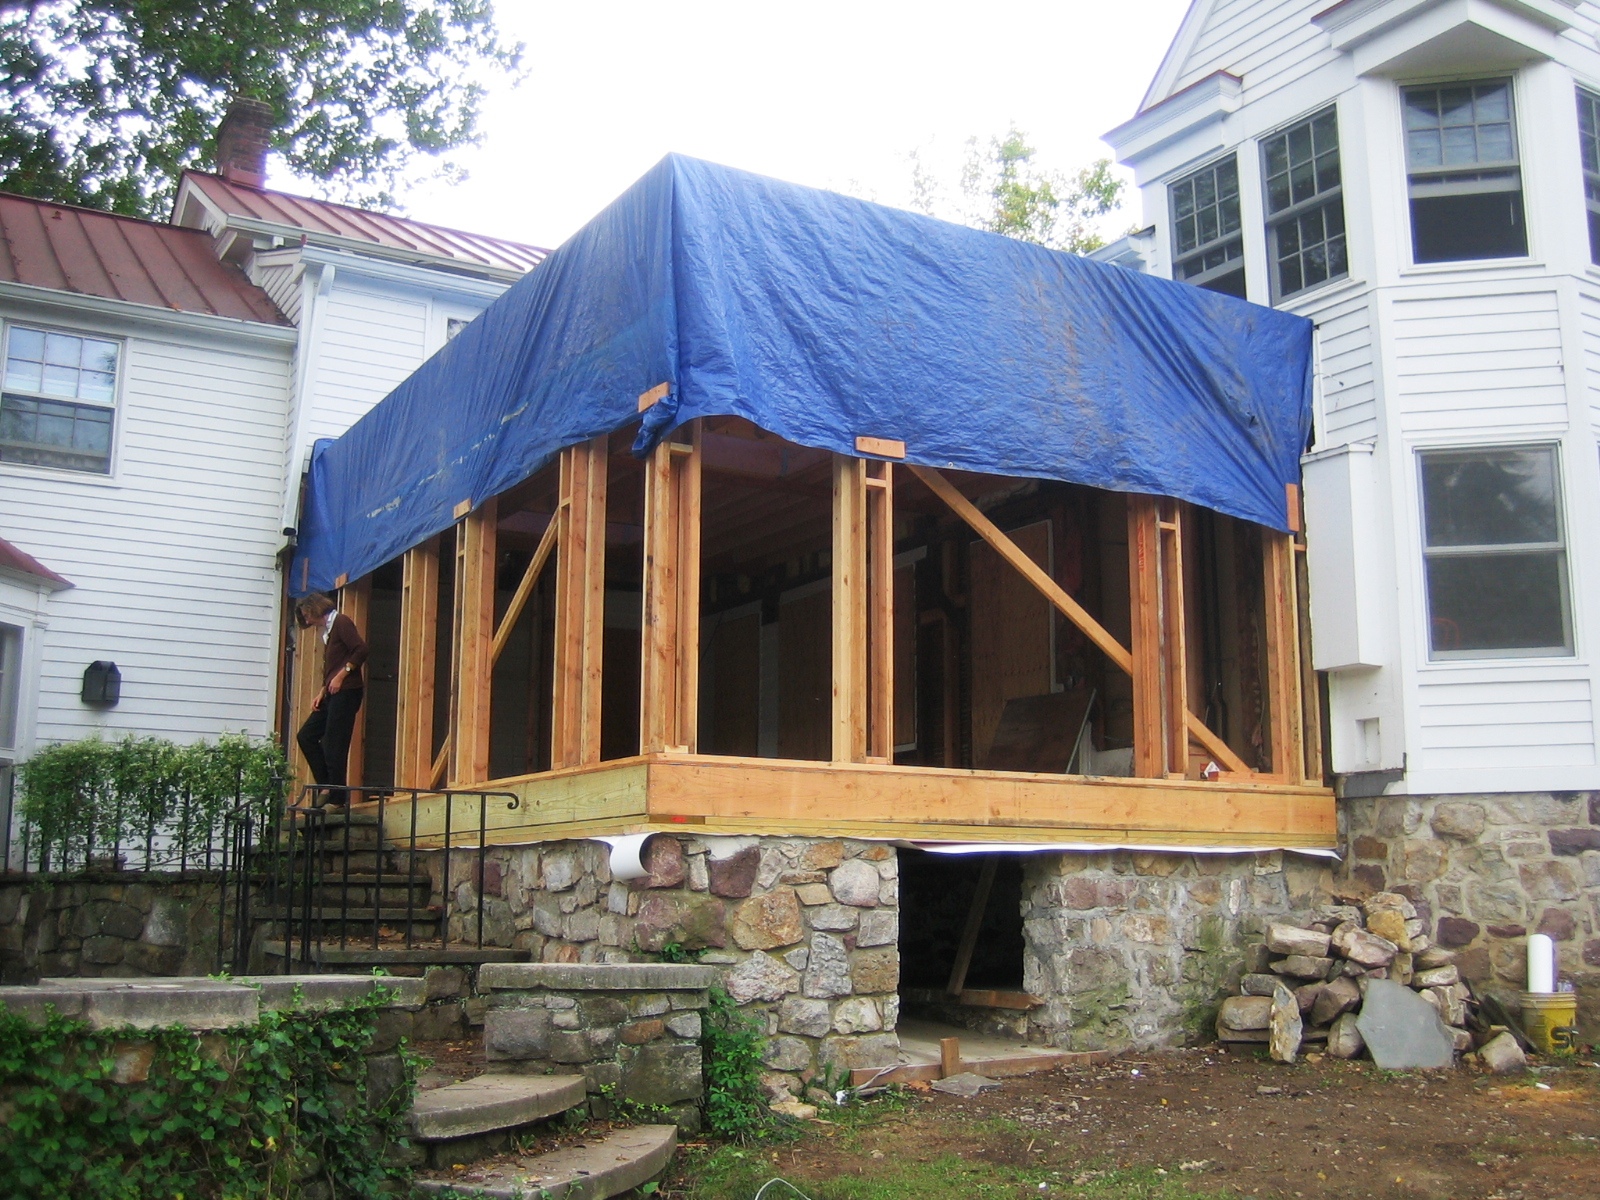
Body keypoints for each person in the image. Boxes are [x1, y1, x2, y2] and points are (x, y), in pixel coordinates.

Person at [294, 592, 368, 800]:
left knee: (335, 742)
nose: (308, 621)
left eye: (307, 615)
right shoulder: (328, 631)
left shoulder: (341, 622)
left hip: (347, 691)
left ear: (315, 609)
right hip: (332, 692)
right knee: (306, 736)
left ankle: (335, 797)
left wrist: (342, 675)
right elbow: (332, 667)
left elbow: (361, 650)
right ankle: (327, 785)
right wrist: (323, 690)